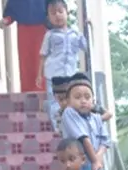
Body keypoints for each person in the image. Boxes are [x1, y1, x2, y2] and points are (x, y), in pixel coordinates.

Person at [39, 0, 86, 129]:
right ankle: (57, 127)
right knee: (55, 100)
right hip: (53, 73)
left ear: (67, 13)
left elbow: (85, 47)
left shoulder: (75, 34)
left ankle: (69, 124)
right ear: (49, 17)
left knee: (69, 99)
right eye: (53, 13)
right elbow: (43, 55)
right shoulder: (49, 35)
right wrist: (39, 75)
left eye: (60, 11)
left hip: (70, 73)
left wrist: (87, 29)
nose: (57, 15)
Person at [0, 0, 49, 94]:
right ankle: (28, 94)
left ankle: (43, 94)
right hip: (24, 28)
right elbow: (14, 8)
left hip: (43, 28)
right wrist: (8, 19)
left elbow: (54, 5)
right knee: (26, 62)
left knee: (41, 61)